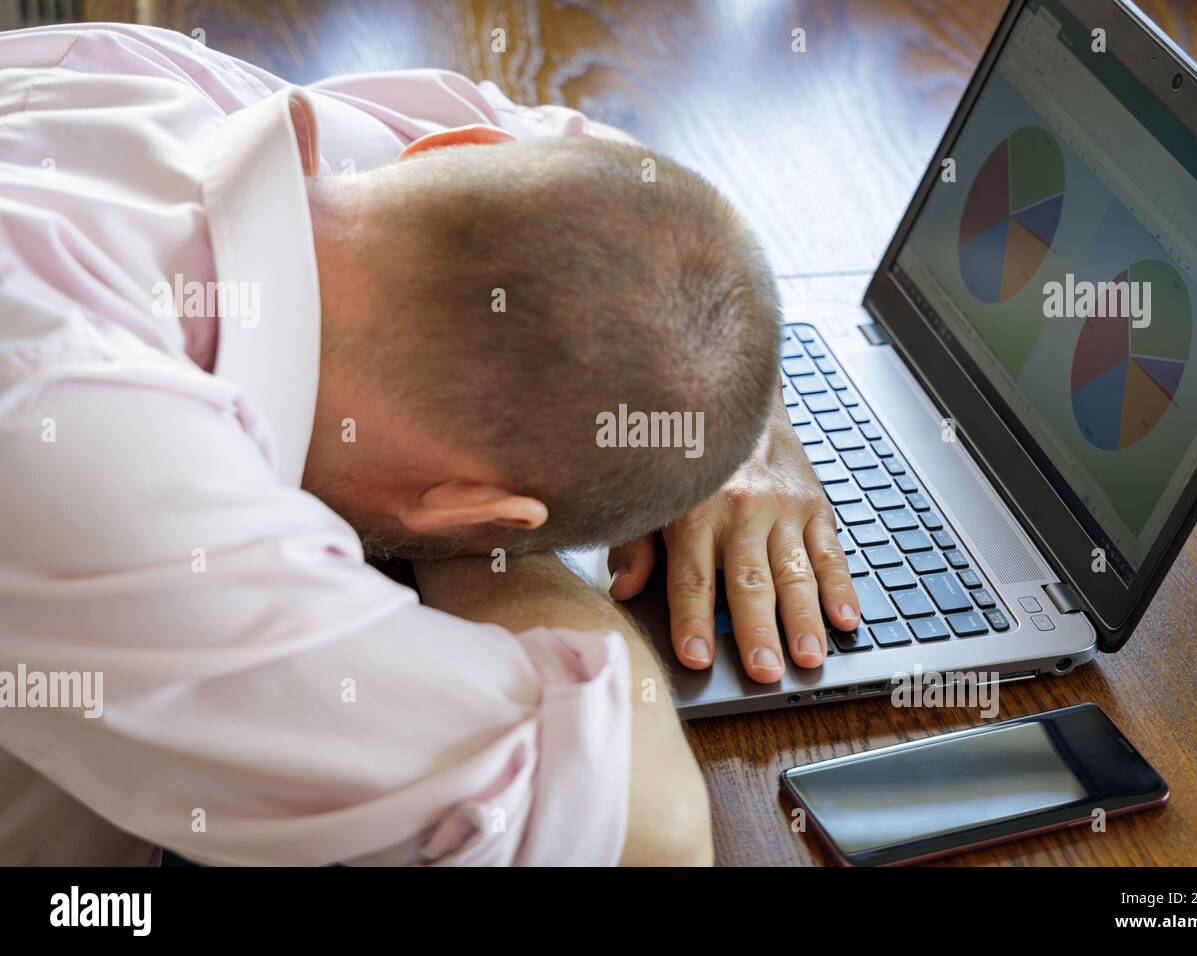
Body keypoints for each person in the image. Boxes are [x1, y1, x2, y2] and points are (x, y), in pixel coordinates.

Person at [0, 23, 859, 865]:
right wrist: (496, 550)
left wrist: (736, 421)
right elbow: (653, 833)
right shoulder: (110, 465)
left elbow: (602, 175)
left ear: (443, 150)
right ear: (473, 509)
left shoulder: (138, 75)